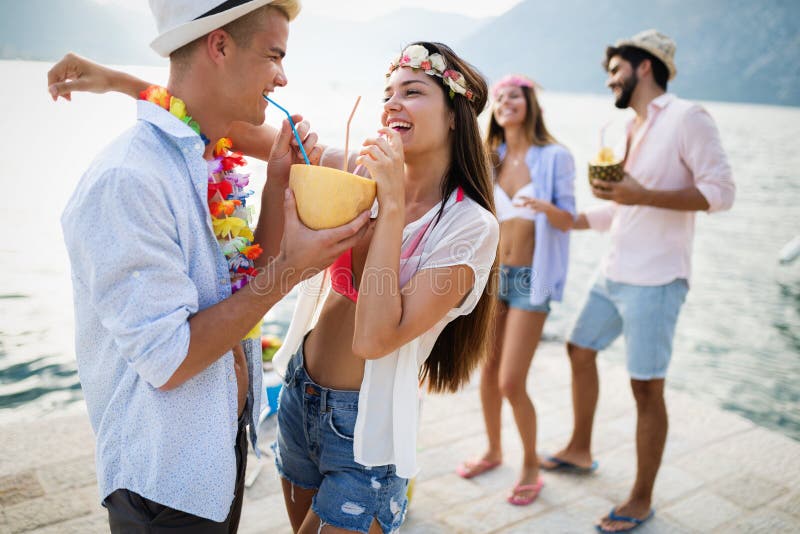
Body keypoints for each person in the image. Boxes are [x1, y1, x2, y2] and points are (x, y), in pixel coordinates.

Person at [55, 1, 371, 532]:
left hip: (218, 447)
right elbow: (170, 358)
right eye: (274, 55)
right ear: (219, 46)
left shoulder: (204, 159)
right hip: (165, 480)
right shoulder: (128, 179)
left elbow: (246, 288)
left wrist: (276, 185)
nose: (283, 76)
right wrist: (292, 272)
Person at [265, 42, 499, 534]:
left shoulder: (469, 226)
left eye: (411, 92)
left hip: (364, 431)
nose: (391, 104)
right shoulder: (358, 172)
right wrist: (115, 81)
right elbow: (245, 132)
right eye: (387, 93)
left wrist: (391, 205)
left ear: (455, 114)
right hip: (298, 397)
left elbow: (372, 339)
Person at [542, 30, 735, 533]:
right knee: (579, 348)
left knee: (646, 389)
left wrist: (642, 194)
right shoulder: (620, 124)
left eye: (616, 70)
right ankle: (581, 450)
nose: (610, 80)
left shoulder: (689, 118)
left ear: (644, 66)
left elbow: (721, 193)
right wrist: (573, 218)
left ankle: (641, 498)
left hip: (659, 278)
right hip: (615, 269)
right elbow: (621, 204)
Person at [455, 74, 575, 506]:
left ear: (530, 104)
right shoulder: (490, 157)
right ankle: (493, 449)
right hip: (492, 278)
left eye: (514, 96)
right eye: (500, 97)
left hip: (532, 280)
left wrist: (546, 208)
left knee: (510, 381)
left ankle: (530, 464)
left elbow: (569, 220)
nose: (505, 102)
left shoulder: (555, 156)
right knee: (486, 373)